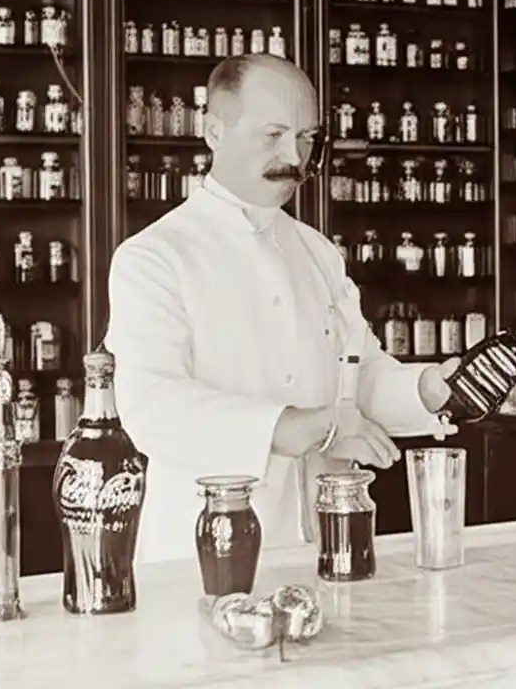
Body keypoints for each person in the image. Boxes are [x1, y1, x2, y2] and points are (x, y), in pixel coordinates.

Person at [104, 55, 459, 565]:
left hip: (322, 540)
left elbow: (359, 373)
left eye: (306, 137)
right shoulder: (154, 256)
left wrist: (428, 389)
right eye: (271, 134)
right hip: (201, 551)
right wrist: (290, 426)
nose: (293, 156)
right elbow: (152, 407)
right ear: (214, 132)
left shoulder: (317, 252)